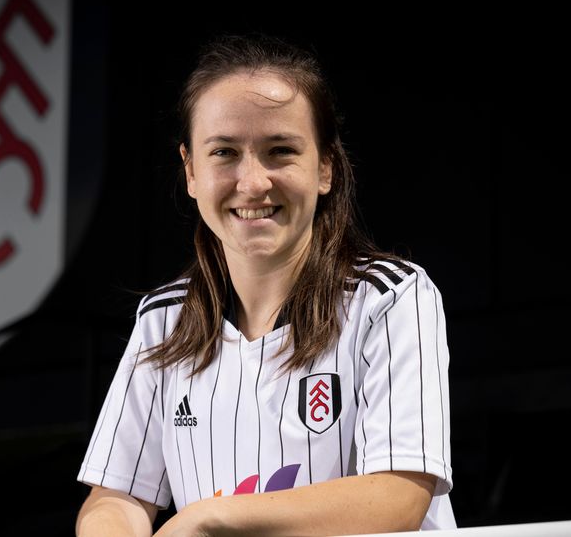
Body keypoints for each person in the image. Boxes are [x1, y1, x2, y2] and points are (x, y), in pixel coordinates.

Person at [75, 32, 454, 536]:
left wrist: (209, 518)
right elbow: (116, 498)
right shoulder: (162, 321)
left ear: (325, 168)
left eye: (280, 150)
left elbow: (397, 497)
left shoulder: (391, 298)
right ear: (190, 171)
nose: (252, 183)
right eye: (224, 152)